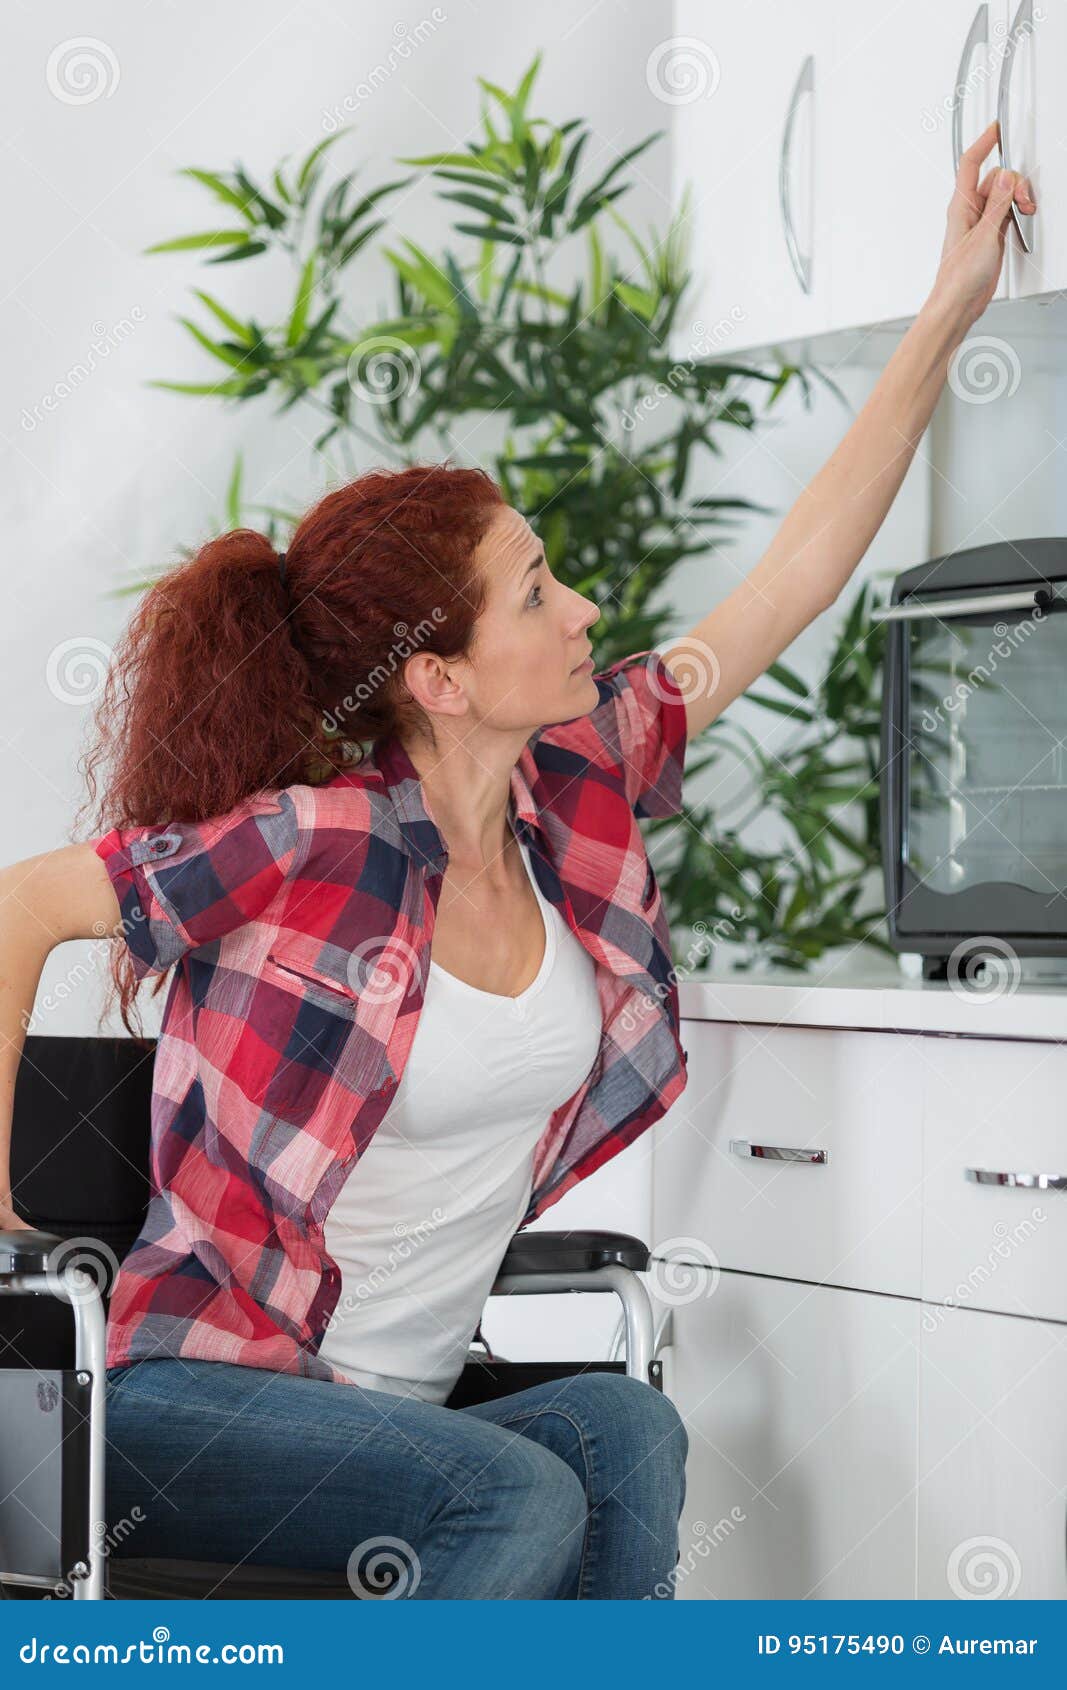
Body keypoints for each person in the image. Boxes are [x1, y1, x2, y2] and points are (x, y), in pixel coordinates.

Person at [0, 128, 1033, 1599]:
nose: (582, 605)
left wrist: (945, 313)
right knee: (514, 1494)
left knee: (621, 1427)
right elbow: (24, 900)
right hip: (198, 1393)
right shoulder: (315, 842)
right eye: (537, 588)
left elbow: (791, 578)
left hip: (396, 1416)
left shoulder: (575, 781)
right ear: (436, 678)